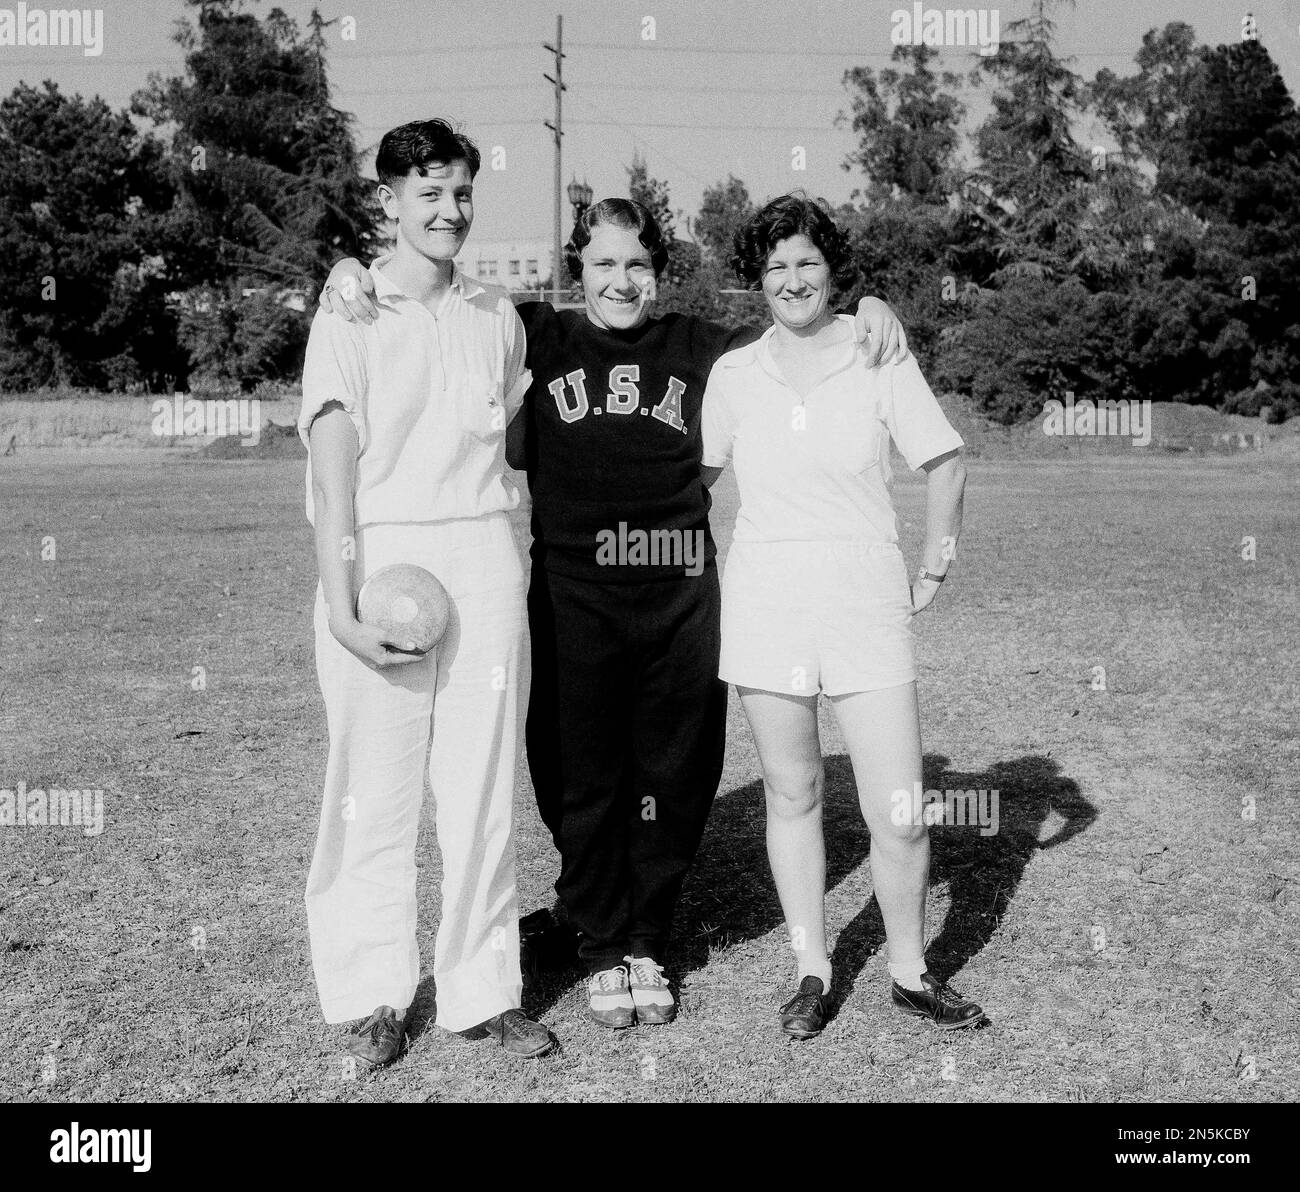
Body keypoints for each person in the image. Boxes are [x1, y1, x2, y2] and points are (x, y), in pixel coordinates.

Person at [318, 198, 909, 1030]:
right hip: (570, 593)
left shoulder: (702, 347)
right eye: (602, 264)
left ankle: (646, 938)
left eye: (636, 264)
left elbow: (799, 327)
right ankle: (598, 940)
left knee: (675, 769)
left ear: (657, 271)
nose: (620, 280)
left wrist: (867, 308)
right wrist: (350, 272)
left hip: (677, 593)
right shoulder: (538, 333)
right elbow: (433, 295)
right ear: (576, 271)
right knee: (579, 771)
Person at [299, 118, 553, 1070]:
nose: (448, 212)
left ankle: (482, 995)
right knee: (375, 791)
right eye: (427, 194)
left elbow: (522, 432)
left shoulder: (497, 313)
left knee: (483, 788)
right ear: (390, 202)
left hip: (485, 553)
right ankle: (372, 996)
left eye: (459, 194)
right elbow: (334, 472)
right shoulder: (351, 312)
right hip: (384, 556)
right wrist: (342, 607)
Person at [701, 194, 985, 1038]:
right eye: (776, 266)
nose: (793, 280)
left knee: (897, 809)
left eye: (808, 262)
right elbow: (689, 483)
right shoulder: (733, 374)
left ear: (833, 270)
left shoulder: (876, 350)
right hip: (765, 609)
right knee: (794, 794)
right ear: (759, 279)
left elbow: (945, 458)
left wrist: (935, 560)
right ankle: (812, 970)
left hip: (863, 606)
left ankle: (909, 972)